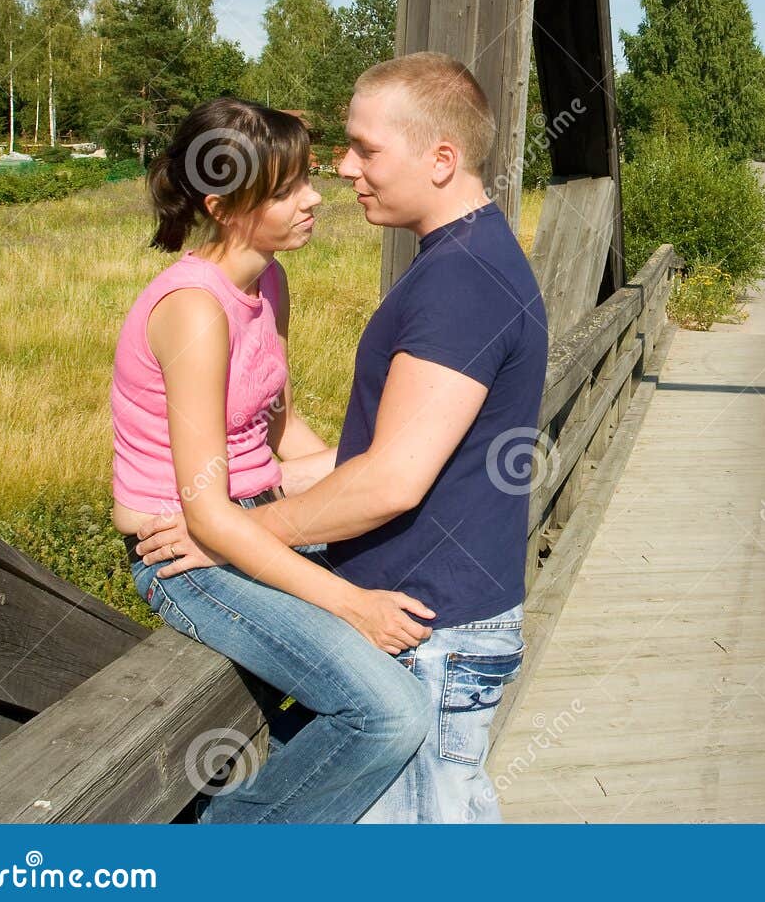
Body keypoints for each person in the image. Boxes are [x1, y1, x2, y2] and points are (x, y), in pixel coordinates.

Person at [138, 54, 549, 822]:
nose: (343, 167)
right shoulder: (466, 258)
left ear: (441, 159)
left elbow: (391, 479)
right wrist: (240, 508)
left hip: (429, 625)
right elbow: (366, 458)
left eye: (365, 148)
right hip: (430, 616)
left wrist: (232, 534)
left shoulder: (462, 282)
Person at [112, 96, 435, 824]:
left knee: (421, 599)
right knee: (390, 713)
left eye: (308, 179)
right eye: (288, 188)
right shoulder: (194, 310)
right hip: (188, 559)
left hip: (259, 521)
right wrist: (353, 603)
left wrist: (379, 473)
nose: (316, 196)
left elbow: (283, 434)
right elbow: (206, 512)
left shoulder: (267, 283)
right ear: (226, 205)